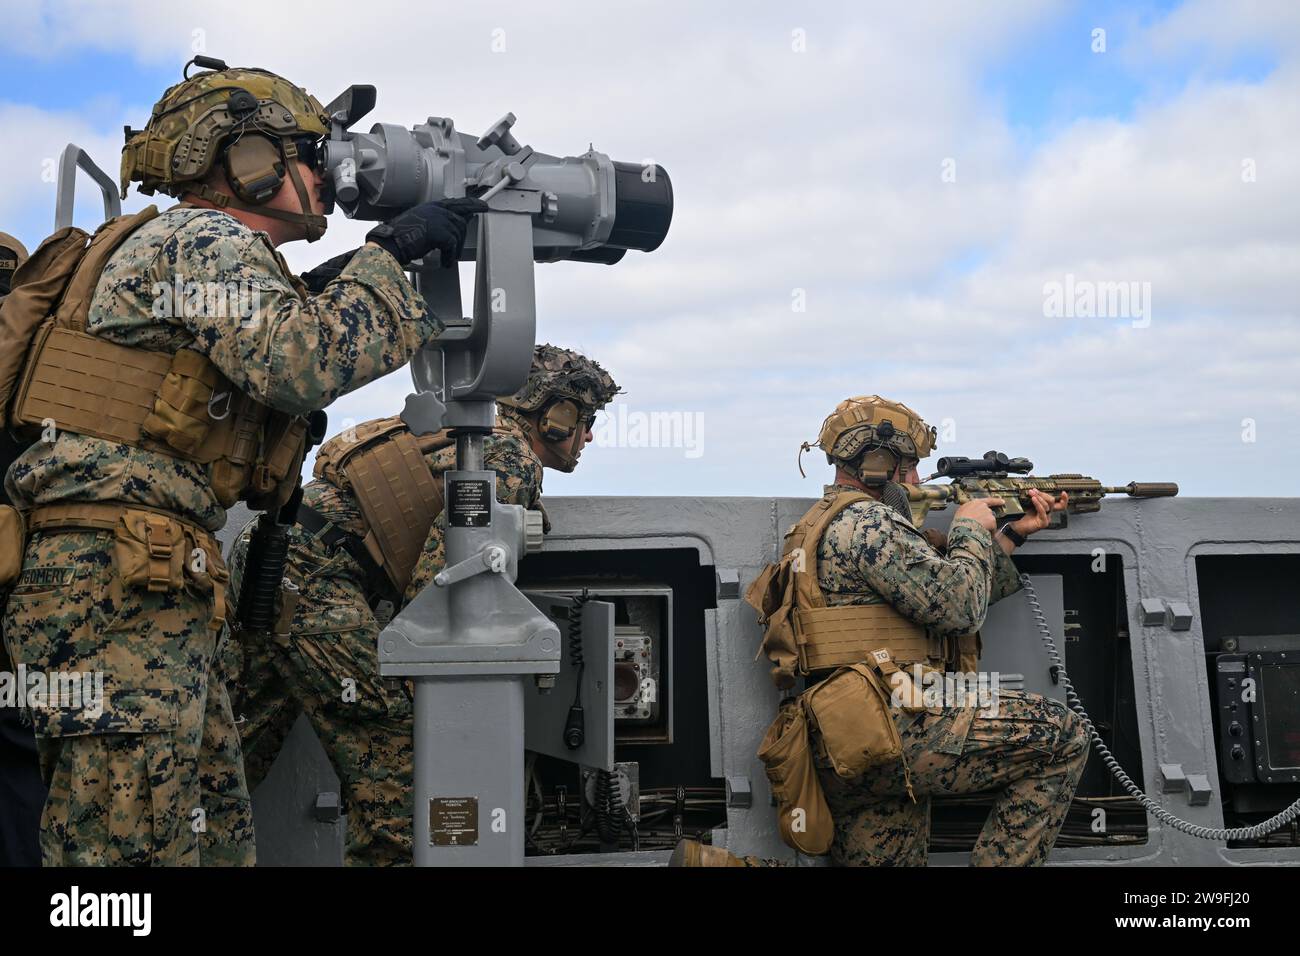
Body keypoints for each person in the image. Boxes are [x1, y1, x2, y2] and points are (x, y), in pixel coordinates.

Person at [0, 58, 483, 866]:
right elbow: (300, 363)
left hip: (145, 581)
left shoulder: (189, 253)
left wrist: (356, 275)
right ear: (249, 165)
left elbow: (270, 335)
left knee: (207, 838)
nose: (325, 175)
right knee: (126, 862)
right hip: (118, 588)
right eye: (306, 153)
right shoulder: (201, 237)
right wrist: (389, 257)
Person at [220, 344, 619, 865]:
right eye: (583, 420)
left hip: (275, 559)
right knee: (402, 762)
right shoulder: (510, 460)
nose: (587, 436)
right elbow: (442, 578)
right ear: (554, 418)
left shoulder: (470, 442)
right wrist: (424, 693)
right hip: (313, 580)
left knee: (230, 750)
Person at [676, 395, 1088, 867]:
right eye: (910, 466)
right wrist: (971, 528)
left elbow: (929, 596)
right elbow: (957, 610)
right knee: (1063, 736)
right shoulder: (871, 522)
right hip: (898, 721)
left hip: (846, 737)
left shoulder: (818, 525)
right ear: (880, 462)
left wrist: (1011, 536)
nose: (915, 479)